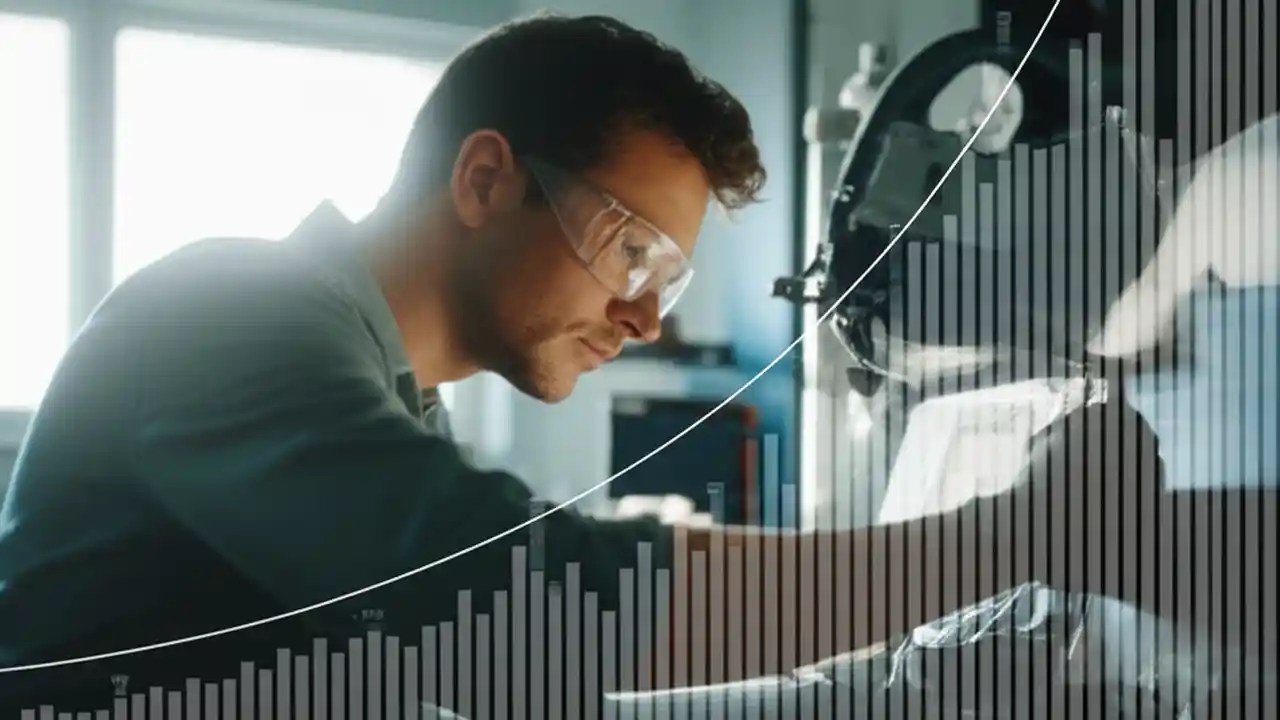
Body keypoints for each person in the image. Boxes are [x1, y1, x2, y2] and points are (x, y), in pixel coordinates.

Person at [0, 11, 1196, 713]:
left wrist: (878, 691)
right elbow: (542, 614)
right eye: (628, 249)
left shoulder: (382, 401)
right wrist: (1011, 539)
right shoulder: (232, 315)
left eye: (663, 279)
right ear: (484, 179)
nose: (640, 319)